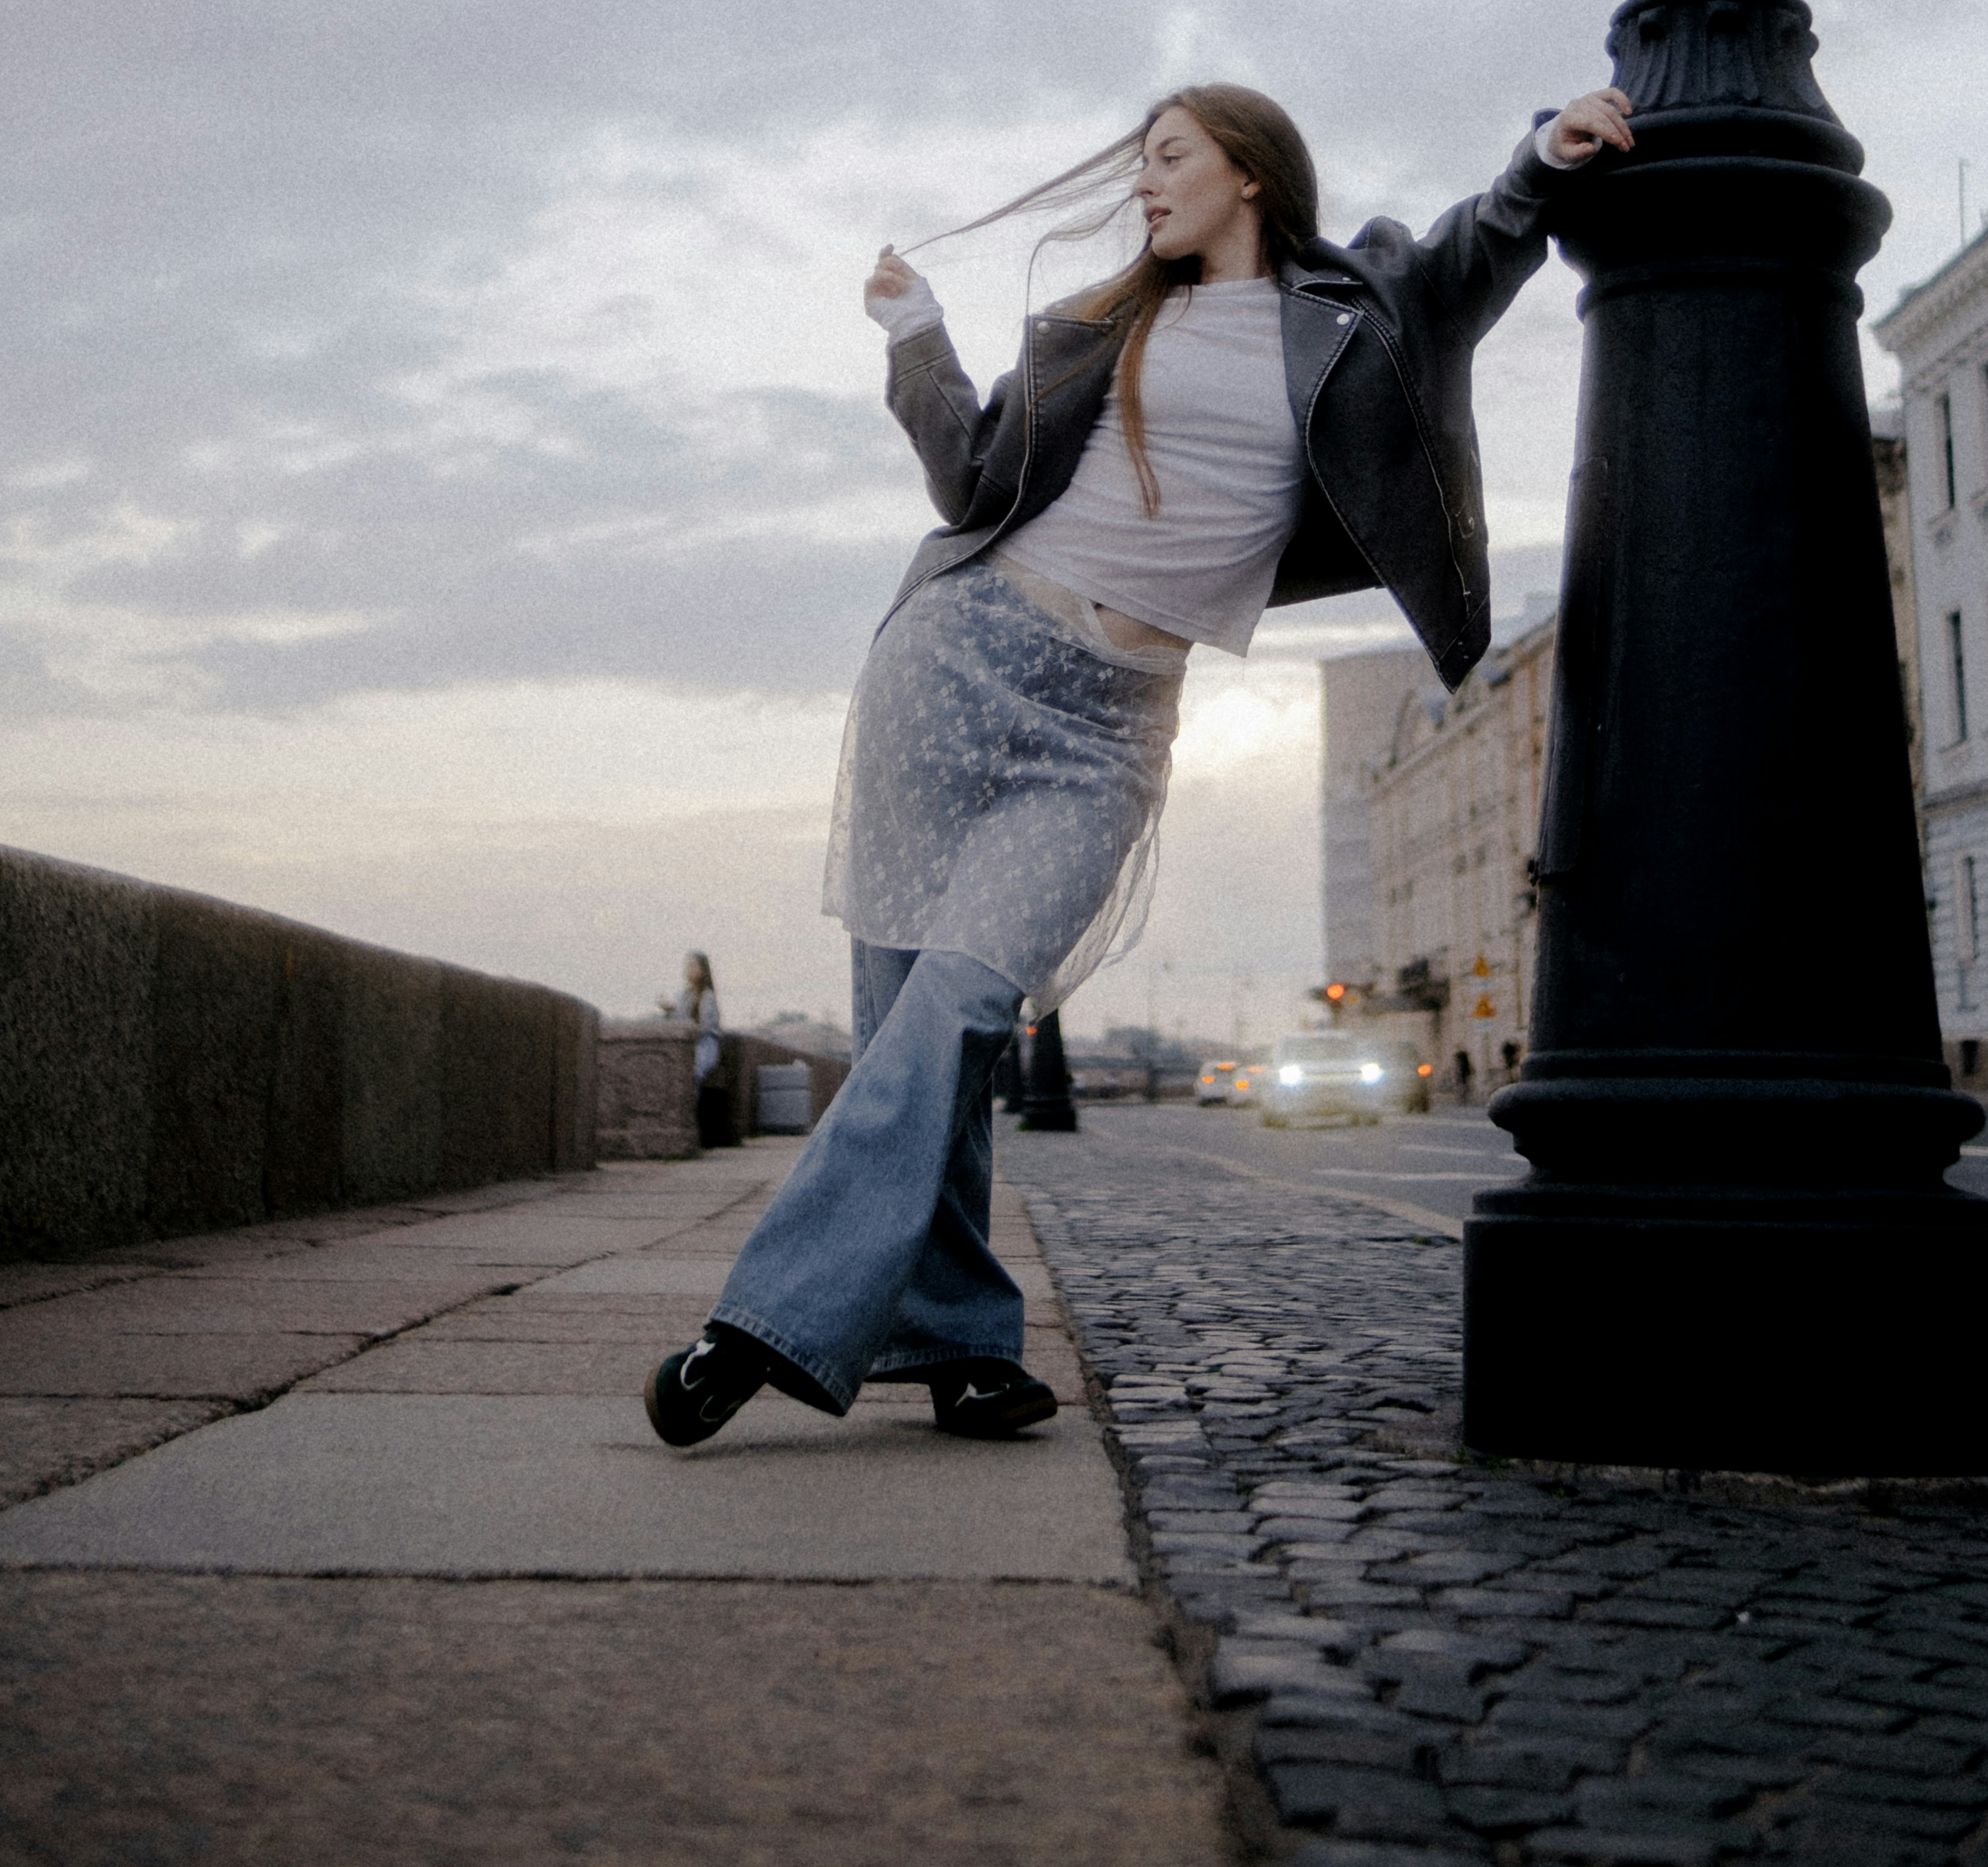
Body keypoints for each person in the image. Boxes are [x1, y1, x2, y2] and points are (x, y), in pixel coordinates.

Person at [645, 75, 1632, 1451]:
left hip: (1109, 723)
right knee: (906, 1013)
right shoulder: (1098, 325)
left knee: (967, 1003)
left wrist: (1545, 157)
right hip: (959, 658)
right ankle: (959, 1342)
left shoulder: (1354, 309)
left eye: (1170, 157)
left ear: (1249, 171)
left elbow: (1481, 248)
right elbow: (971, 478)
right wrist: (916, 336)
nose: (1147, 184)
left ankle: (774, 1314)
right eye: (1142, 165)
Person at [662, 950, 734, 1151]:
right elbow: (678, 1024)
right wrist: (670, 1012)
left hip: (706, 1044)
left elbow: (707, 1027)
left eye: (694, 966)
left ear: (703, 971)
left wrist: (689, 1028)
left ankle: (688, 1123)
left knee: (695, 1072)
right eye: (688, 966)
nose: (689, 970)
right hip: (688, 1044)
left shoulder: (708, 996)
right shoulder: (684, 995)